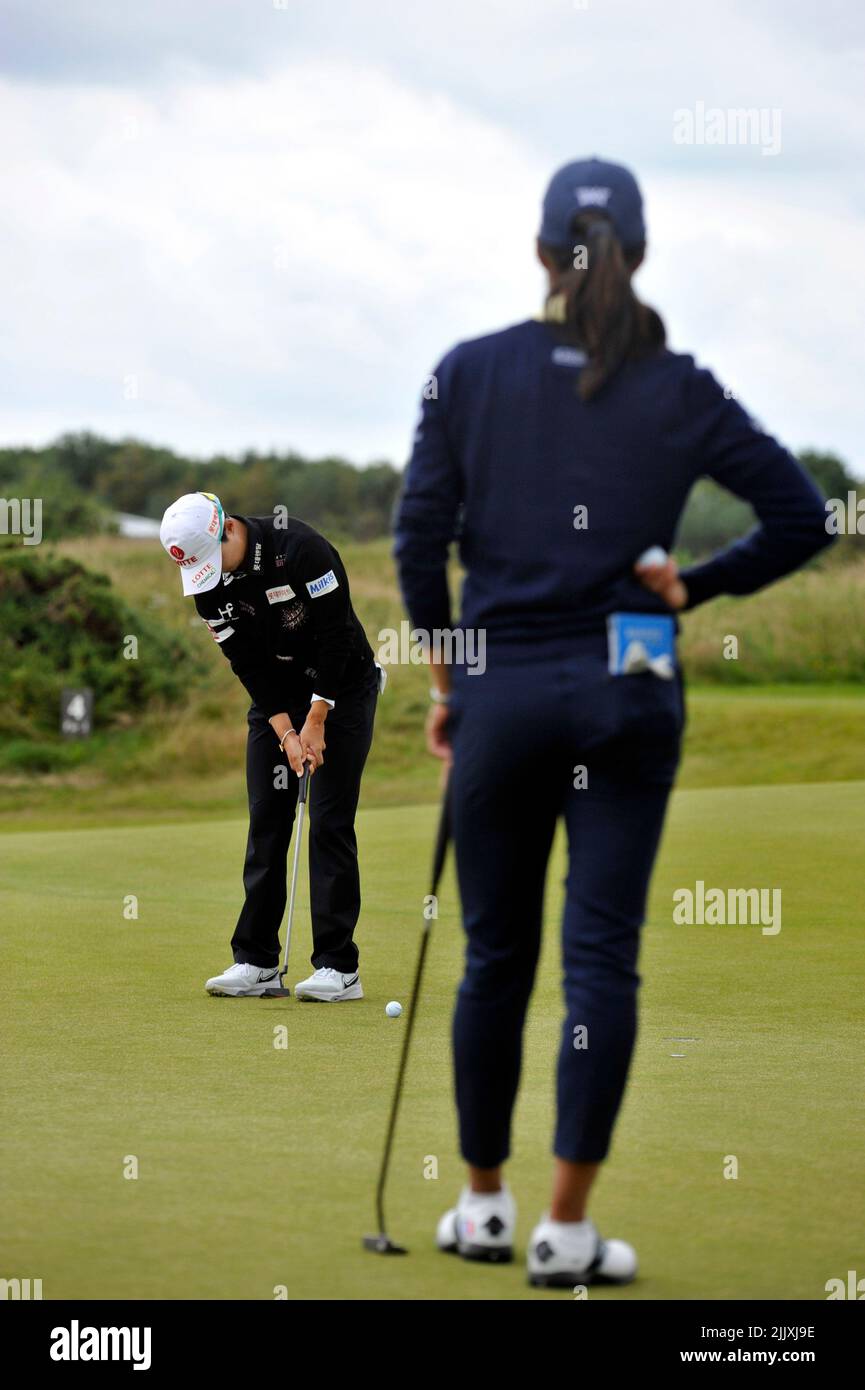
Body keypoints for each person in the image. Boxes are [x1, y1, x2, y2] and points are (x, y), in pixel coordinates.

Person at [393, 157, 834, 1287]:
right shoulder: (678, 384)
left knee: (495, 956)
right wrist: (695, 582)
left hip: (501, 697)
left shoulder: (469, 371)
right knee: (601, 963)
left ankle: (482, 1209)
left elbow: (415, 542)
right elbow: (801, 513)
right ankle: (567, 1233)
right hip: (628, 692)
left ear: (543, 251)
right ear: (634, 253)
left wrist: (450, 685)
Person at [160, 491, 380, 1001]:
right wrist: (285, 731)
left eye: (214, 562)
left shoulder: (302, 549)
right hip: (276, 696)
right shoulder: (208, 590)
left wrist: (316, 719)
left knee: (328, 819)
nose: (211, 577)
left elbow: (336, 636)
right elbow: (248, 666)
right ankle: (256, 961)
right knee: (267, 820)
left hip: (342, 688)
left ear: (229, 531)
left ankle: (337, 967)